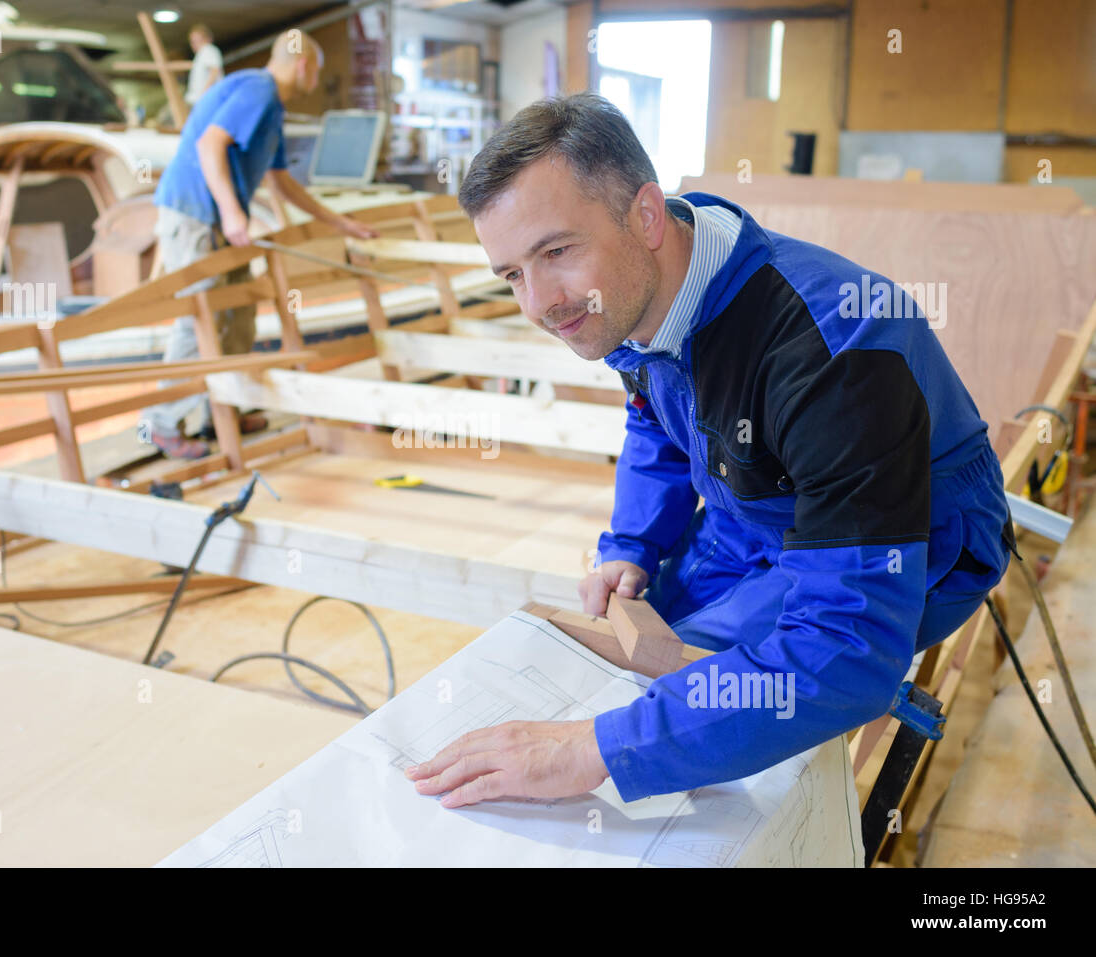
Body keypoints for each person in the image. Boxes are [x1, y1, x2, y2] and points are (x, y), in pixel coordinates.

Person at [404, 93, 1015, 808]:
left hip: (915, 532)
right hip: (749, 512)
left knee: (702, 686)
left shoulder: (835, 353)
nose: (539, 303)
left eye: (556, 251)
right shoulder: (630, 296)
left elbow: (846, 648)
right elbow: (655, 415)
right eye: (512, 274)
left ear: (646, 215)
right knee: (629, 649)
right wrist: (632, 545)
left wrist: (597, 750)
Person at [141, 29, 377, 459]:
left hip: (214, 217)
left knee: (238, 311)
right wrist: (233, 212)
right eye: (316, 70)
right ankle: (160, 424)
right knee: (201, 316)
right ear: (304, 64)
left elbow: (282, 181)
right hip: (195, 214)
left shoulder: (271, 107)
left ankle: (220, 411)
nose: (314, 79)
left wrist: (339, 223)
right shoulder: (259, 90)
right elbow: (210, 144)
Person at [185, 24, 223, 106]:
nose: (194, 44)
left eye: (198, 40)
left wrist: (205, 93)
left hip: (205, 97)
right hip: (200, 98)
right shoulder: (201, 55)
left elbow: (214, 71)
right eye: (192, 41)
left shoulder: (208, 49)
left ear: (208, 39)